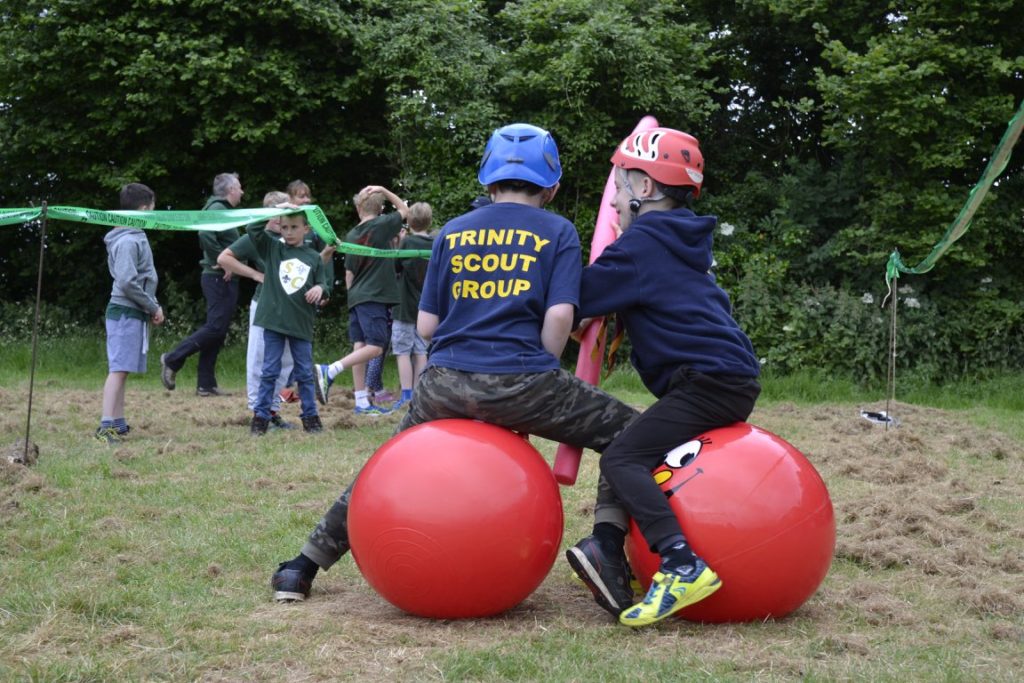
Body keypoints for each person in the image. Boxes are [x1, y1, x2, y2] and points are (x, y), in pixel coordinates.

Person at [270, 123, 639, 603]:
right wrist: (541, 366)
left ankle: (302, 566)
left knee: (388, 465)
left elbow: (426, 326)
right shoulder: (558, 231)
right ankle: (606, 546)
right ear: (552, 185)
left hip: (443, 385)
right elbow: (560, 318)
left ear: (487, 181)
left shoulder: (454, 233)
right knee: (630, 436)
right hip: (525, 382)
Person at [566, 127, 762, 627]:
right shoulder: (677, 242)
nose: (612, 205)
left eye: (620, 188)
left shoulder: (640, 247)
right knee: (633, 448)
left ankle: (679, 562)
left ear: (646, 190)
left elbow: (575, 299)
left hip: (708, 380)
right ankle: (610, 548)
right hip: (727, 377)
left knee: (623, 455)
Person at [313, 185, 408, 415]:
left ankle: (361, 401)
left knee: (361, 345)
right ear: (381, 208)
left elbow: (349, 273)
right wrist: (384, 190)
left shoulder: (352, 235)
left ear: (358, 208)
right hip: (374, 296)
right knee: (375, 347)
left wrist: (352, 298)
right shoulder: (383, 225)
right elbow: (405, 210)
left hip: (356, 295)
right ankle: (330, 370)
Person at [160, 172, 244, 396]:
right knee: (215, 327)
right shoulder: (217, 209)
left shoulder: (224, 211)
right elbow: (205, 234)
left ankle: (206, 384)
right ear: (230, 190)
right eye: (239, 188)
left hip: (225, 277)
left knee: (218, 330)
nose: (242, 192)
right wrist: (223, 261)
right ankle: (172, 359)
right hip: (219, 277)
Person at [217, 191, 295, 429]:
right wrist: (255, 274)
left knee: (285, 361)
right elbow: (224, 258)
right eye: (282, 212)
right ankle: (257, 412)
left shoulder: (292, 236)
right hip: (264, 305)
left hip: (290, 309)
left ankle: (272, 410)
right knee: (260, 359)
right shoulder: (256, 238)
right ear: (271, 215)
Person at [246, 209, 328, 434]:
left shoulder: (313, 257)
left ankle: (310, 417)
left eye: (294, 227)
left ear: (306, 229)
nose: (289, 232)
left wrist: (320, 289)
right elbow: (252, 228)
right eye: (284, 227)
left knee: (304, 373)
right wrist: (274, 211)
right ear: (279, 227)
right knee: (269, 370)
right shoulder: (273, 249)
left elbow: (324, 284)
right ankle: (260, 417)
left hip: (300, 324)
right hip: (273, 322)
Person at [95, 183, 165, 444]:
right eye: (153, 207)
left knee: (123, 368)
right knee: (118, 368)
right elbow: (127, 281)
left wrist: (151, 304)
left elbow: (141, 279)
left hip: (133, 310)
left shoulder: (134, 236)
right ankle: (105, 425)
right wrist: (153, 306)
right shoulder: (127, 240)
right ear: (144, 208)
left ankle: (118, 422)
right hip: (125, 311)